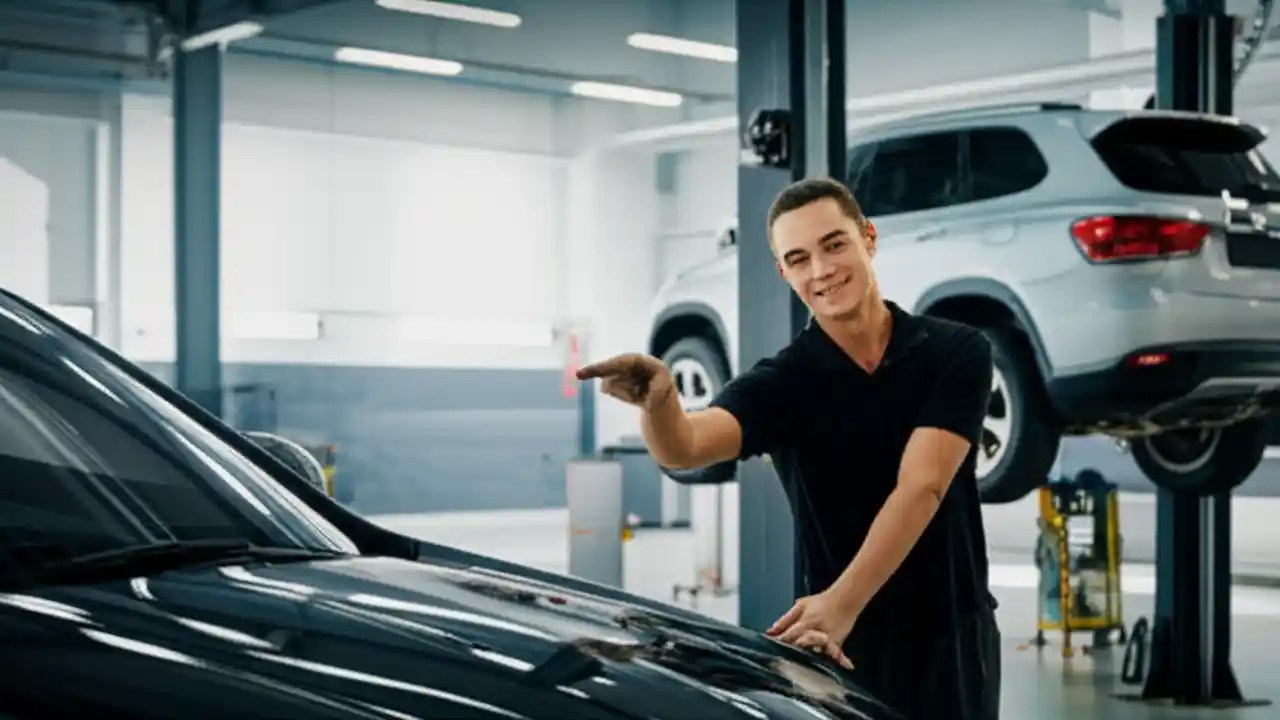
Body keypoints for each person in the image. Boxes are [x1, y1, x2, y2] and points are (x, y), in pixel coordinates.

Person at [577, 177, 1001, 719]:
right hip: (840, 648)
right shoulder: (786, 382)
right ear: (784, 273)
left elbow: (924, 485)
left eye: (834, 244)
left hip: (950, 632)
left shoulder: (955, 351)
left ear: (868, 238)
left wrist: (841, 603)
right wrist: (660, 402)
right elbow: (685, 447)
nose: (821, 270)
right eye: (799, 259)